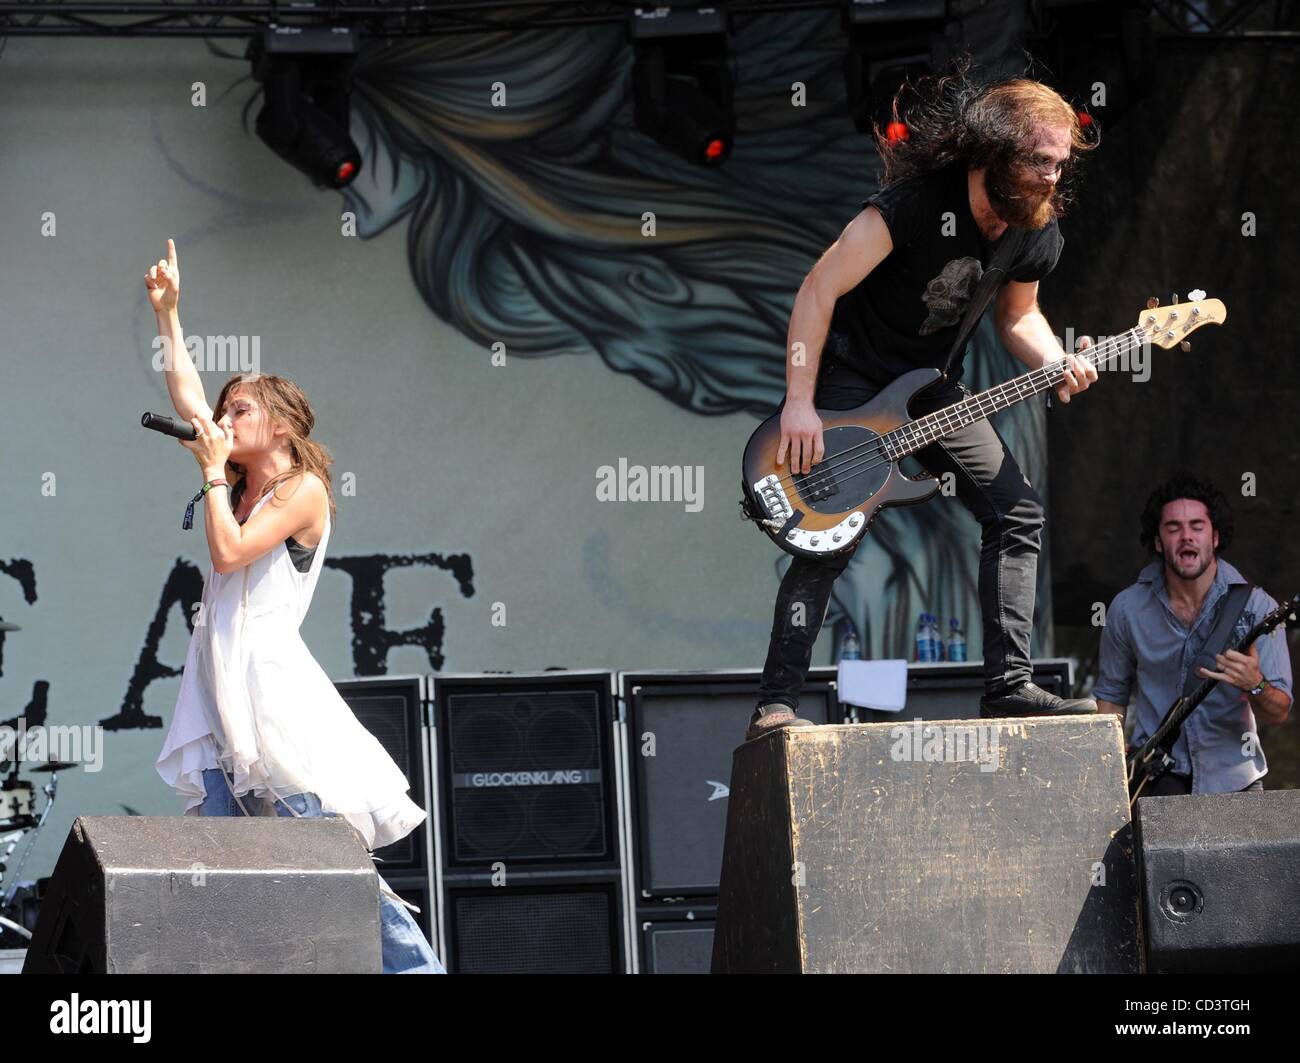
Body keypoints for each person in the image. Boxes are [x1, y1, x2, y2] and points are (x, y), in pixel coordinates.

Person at [750, 65, 1100, 741]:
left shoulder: (1036, 228)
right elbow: (818, 289)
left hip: (929, 383)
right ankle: (775, 704)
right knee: (831, 532)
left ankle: (1009, 687)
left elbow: (1018, 318)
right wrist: (800, 402)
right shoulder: (914, 203)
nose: (1052, 177)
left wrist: (1057, 359)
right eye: (1038, 161)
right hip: (852, 374)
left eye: (1060, 164)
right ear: (994, 152)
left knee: (1016, 508)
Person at [146, 239, 444, 973]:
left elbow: (228, 552)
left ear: (279, 426)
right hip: (217, 693)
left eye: (239, 407)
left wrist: (215, 477)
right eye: (225, 409)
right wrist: (170, 316)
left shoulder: (298, 490)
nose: (223, 415)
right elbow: (187, 396)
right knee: (237, 879)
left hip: (273, 695)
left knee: (332, 876)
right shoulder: (236, 477)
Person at [1095, 472, 1293, 795]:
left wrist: (1254, 685)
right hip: (1155, 778)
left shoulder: (1258, 607)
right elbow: (1111, 698)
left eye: (1197, 526)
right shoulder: (1126, 609)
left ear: (1215, 537)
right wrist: (1111, 761)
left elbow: (1279, 711)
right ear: (1158, 541)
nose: (1186, 536)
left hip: (1234, 780)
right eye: (1174, 528)